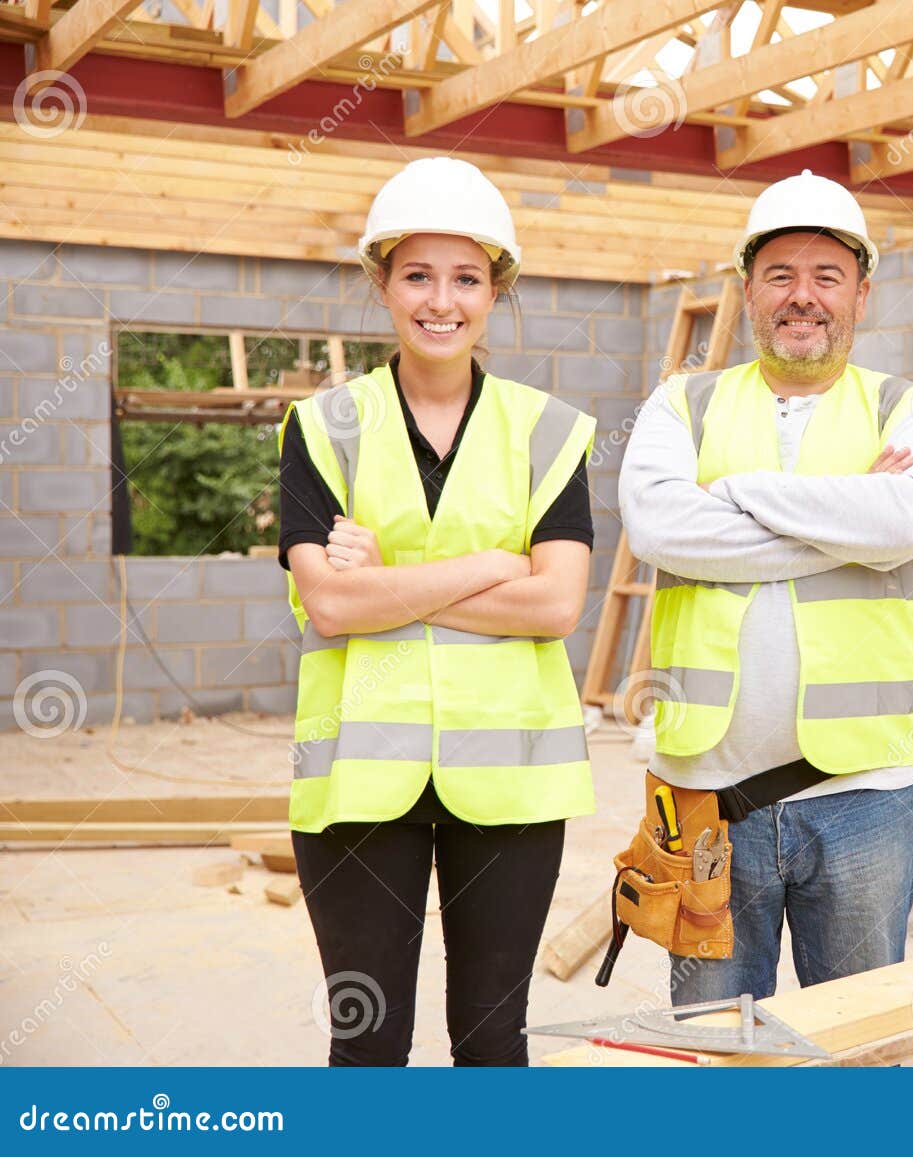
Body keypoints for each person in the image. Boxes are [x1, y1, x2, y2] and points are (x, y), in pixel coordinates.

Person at [275, 156, 596, 1065]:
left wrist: (399, 581)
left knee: (493, 1040)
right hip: (358, 787)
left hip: (513, 788)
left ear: (497, 291)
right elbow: (332, 602)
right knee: (368, 1043)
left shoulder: (548, 430)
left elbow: (558, 603)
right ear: (382, 283)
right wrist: (493, 564)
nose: (440, 300)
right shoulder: (322, 426)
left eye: (466, 278)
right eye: (417, 274)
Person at [618, 169, 913, 1005]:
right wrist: (853, 523)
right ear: (748, 290)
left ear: (862, 293)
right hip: (706, 798)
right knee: (714, 1054)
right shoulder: (680, 405)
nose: (802, 297)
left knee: (858, 1052)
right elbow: (661, 530)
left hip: (863, 799)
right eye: (780, 275)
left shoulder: (908, 408)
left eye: (826, 276)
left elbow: (907, 523)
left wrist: (735, 491)